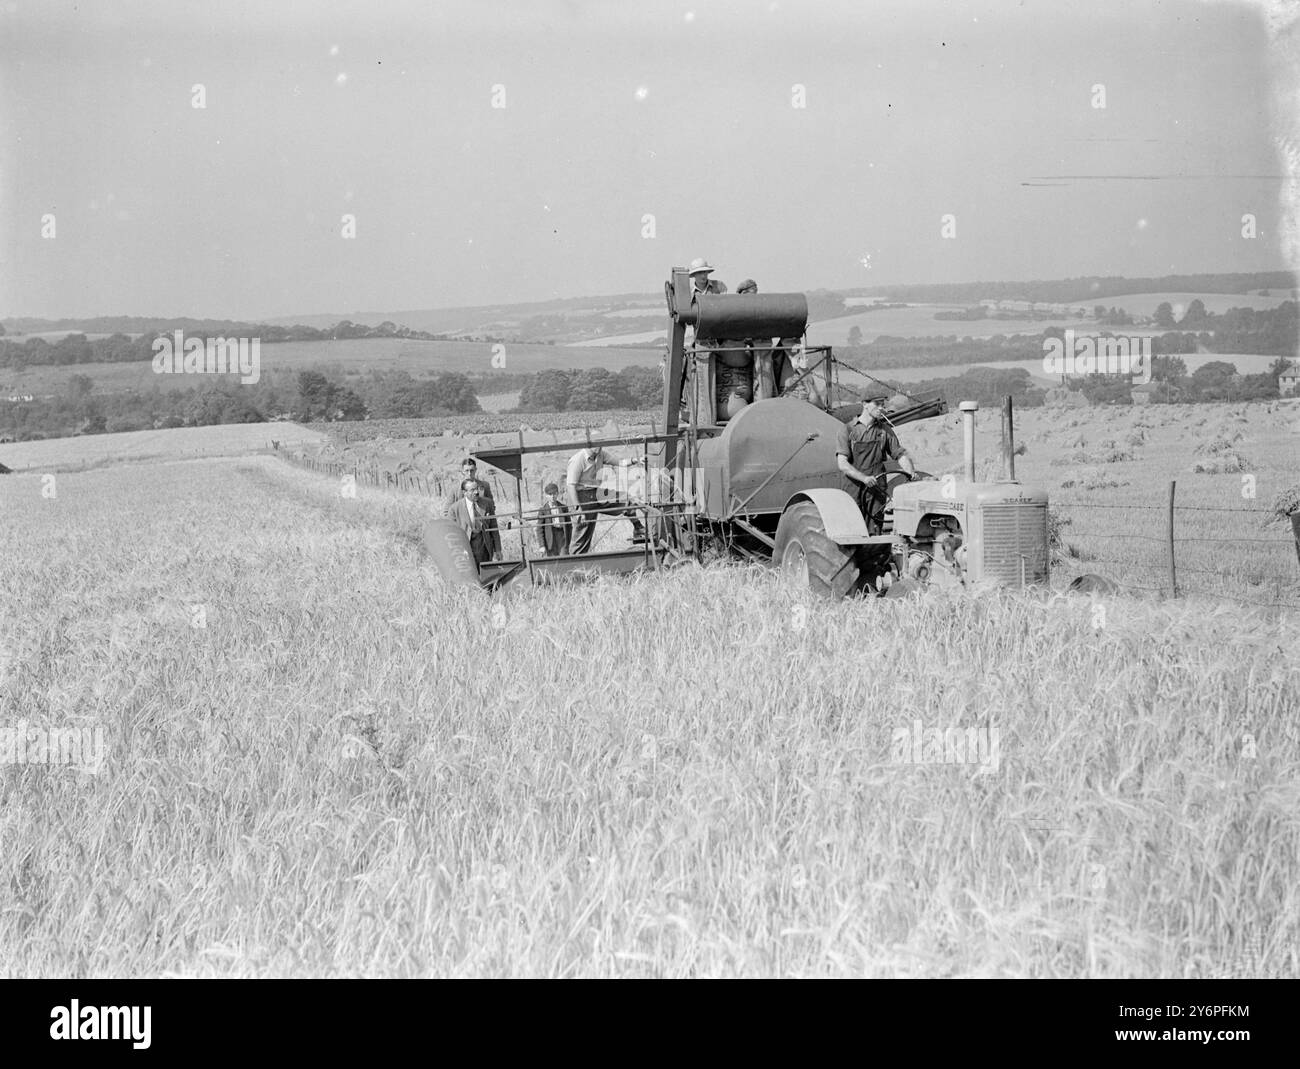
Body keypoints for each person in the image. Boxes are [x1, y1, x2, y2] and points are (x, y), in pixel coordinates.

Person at [835, 396, 916, 535]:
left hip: (877, 489)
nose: (881, 408)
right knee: (852, 531)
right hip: (853, 488)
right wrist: (864, 478)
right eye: (877, 404)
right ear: (865, 404)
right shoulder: (848, 430)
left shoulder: (885, 431)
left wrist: (911, 473)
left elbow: (900, 455)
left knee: (875, 531)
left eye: (882, 405)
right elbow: (842, 464)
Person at [566, 444, 645, 554]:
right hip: (581, 497)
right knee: (583, 532)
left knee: (626, 500)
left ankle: (638, 528)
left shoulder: (601, 454)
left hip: (597, 493)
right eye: (595, 443)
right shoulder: (578, 460)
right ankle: (575, 562)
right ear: (587, 444)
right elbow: (571, 486)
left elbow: (620, 462)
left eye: (600, 443)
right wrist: (577, 509)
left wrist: (636, 460)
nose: (598, 446)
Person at [449, 477, 501, 566]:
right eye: (472, 490)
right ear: (464, 492)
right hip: (465, 550)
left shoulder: (487, 504)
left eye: (477, 489)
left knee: (486, 576)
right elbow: (451, 535)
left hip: (484, 548)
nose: (476, 492)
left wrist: (498, 550)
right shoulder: (455, 509)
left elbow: (494, 528)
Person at [536, 482, 571, 557]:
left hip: (562, 537)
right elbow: (539, 529)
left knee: (564, 558)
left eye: (554, 494)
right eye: (550, 494)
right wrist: (542, 545)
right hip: (550, 538)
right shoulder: (543, 510)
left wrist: (568, 542)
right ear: (546, 495)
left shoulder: (564, 508)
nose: (552, 496)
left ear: (557, 494)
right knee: (553, 562)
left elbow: (569, 526)